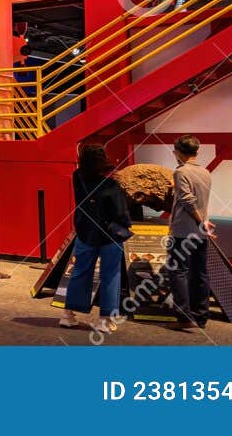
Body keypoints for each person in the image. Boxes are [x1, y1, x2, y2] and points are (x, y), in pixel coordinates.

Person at [60, 142, 131, 332]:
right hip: (109, 235)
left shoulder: (77, 177)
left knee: (80, 271)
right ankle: (105, 320)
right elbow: (120, 212)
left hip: (85, 231)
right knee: (110, 275)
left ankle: (68, 314)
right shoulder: (111, 184)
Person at [167, 134, 215, 331]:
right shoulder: (206, 172)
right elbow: (199, 200)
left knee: (177, 272)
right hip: (200, 233)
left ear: (178, 151)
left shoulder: (180, 172)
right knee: (200, 273)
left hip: (182, 231)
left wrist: (200, 222)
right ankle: (201, 316)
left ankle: (184, 316)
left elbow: (188, 201)